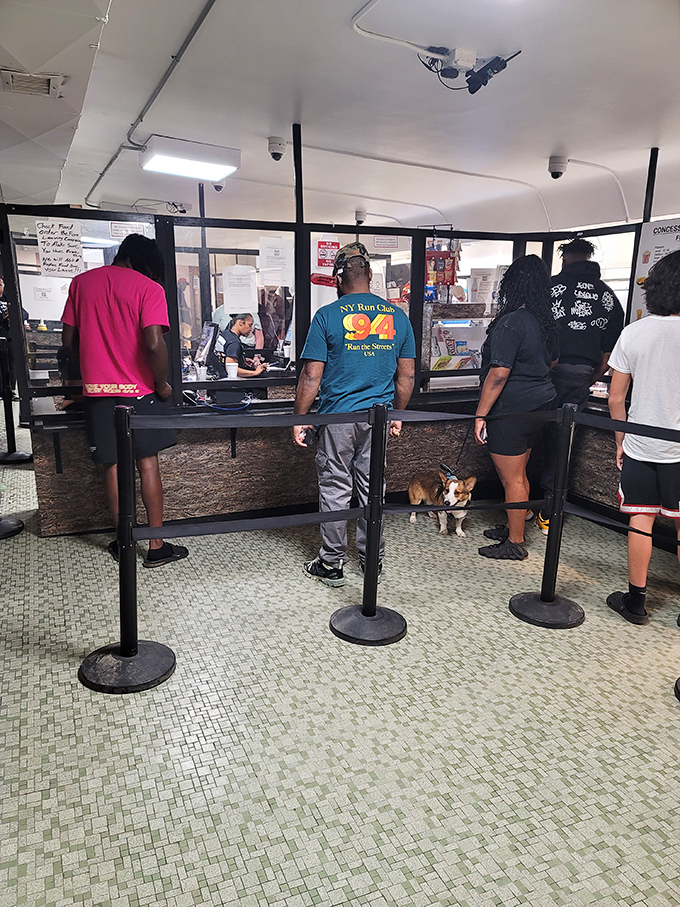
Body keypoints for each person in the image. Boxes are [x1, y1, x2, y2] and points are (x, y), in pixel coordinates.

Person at [292, 241, 416, 587]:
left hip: (337, 418)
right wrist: (398, 414)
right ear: (371, 275)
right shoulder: (397, 317)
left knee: (335, 486)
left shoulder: (328, 316)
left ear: (337, 278)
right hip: (378, 417)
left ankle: (331, 563)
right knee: (372, 485)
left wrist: (299, 417)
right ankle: (371, 558)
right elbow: (406, 376)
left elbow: (311, 375)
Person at [61, 234, 188, 567]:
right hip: (142, 393)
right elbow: (154, 345)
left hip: (99, 394)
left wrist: (92, 365)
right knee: (147, 464)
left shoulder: (81, 284)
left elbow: (68, 340)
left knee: (113, 468)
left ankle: (125, 543)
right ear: (145, 261)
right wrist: (161, 384)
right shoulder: (148, 288)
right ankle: (156, 546)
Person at [605, 249, 680, 625]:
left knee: (641, 521)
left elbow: (615, 396)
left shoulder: (634, 332)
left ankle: (635, 602)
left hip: (640, 444)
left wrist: (621, 441)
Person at [536, 238, 623, 534]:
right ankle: (549, 510)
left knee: (530, 433)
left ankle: (521, 502)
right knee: (563, 442)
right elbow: (609, 352)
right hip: (580, 375)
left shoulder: (549, 287)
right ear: (590, 257)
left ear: (564, 258)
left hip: (543, 372)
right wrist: (591, 376)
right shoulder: (607, 296)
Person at [475, 255, 559, 561]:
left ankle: (515, 541)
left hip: (513, 408)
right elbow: (553, 362)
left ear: (512, 284)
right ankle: (513, 526)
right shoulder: (544, 321)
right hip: (541, 403)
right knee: (520, 473)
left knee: (512, 478)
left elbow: (498, 374)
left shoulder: (511, 322)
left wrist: (481, 414)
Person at [0, 273, 30, 400]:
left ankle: (12, 390)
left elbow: (24, 313)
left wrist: (13, 314)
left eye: (0, 284)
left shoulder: (8, 297)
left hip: (11, 336)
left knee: (12, 364)